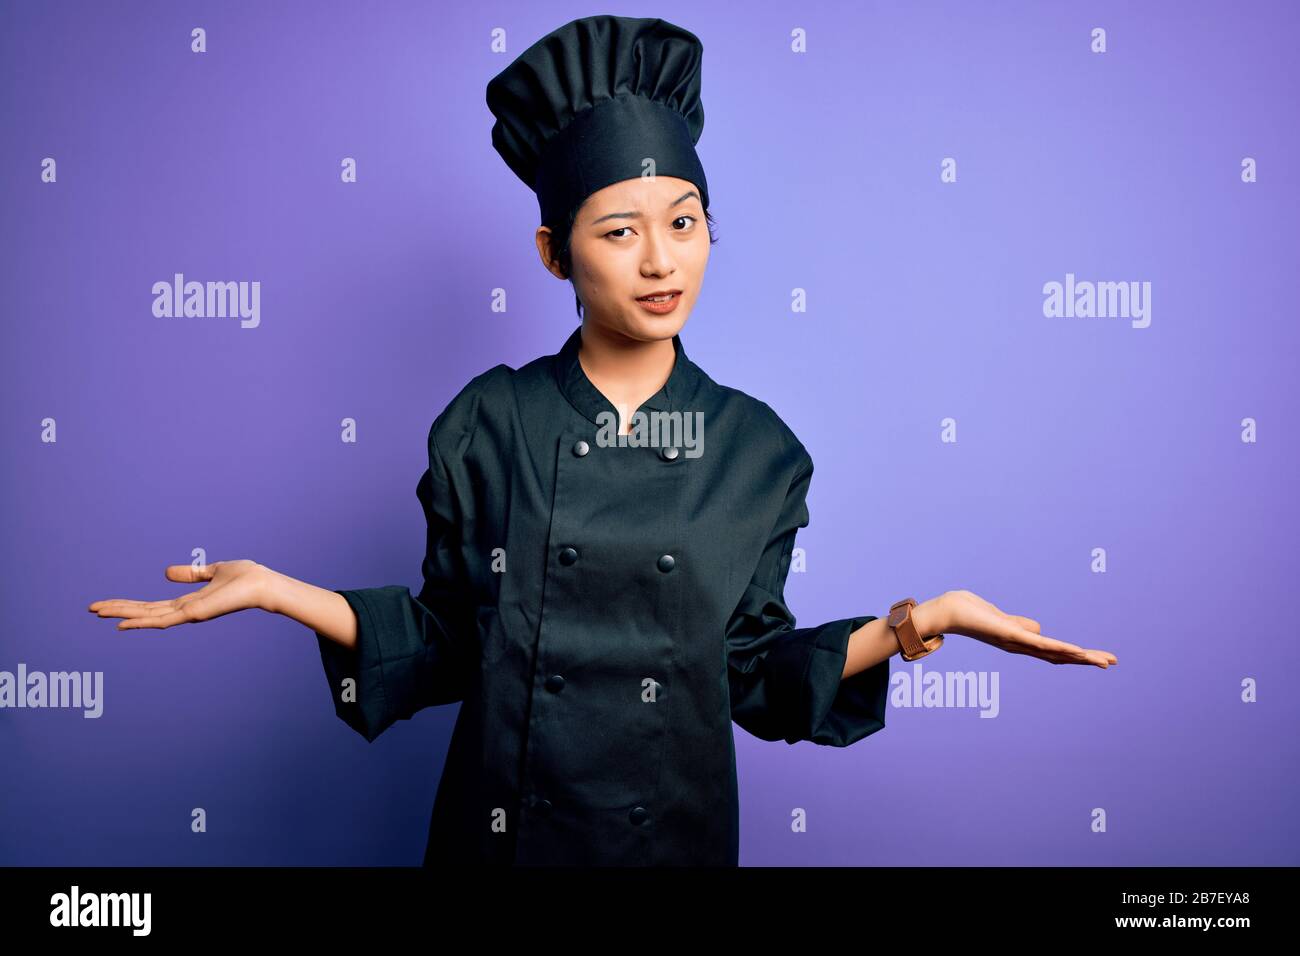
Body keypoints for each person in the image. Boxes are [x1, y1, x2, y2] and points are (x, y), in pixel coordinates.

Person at [87, 15, 1118, 867]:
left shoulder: (760, 452)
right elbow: (449, 640)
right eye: (618, 230)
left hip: (672, 841)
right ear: (552, 252)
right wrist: (279, 590)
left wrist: (919, 617)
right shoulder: (488, 423)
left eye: (684, 220)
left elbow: (753, 671)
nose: (660, 259)